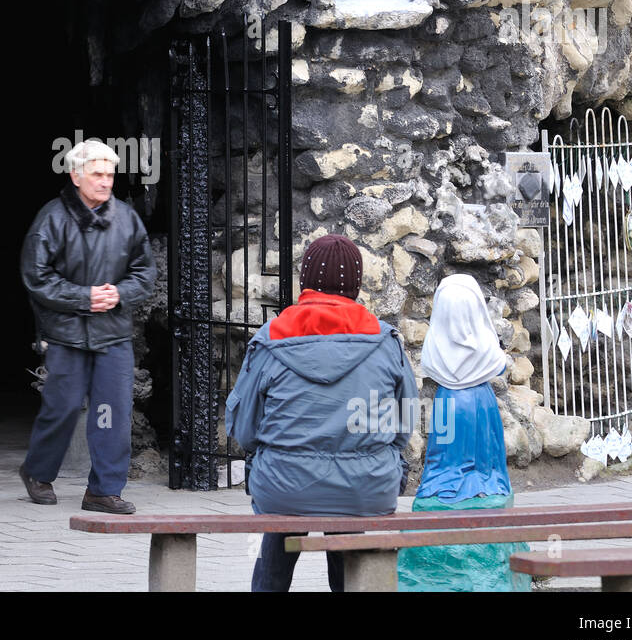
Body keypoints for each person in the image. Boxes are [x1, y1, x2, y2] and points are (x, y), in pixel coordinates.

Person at [226, 234, 417, 591]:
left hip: (284, 488)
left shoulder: (271, 338)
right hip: (365, 487)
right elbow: (405, 424)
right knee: (349, 529)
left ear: (305, 280)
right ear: (356, 284)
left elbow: (244, 426)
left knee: (279, 535)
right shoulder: (385, 340)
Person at [18, 139, 157, 514]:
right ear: (75, 175)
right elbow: (36, 277)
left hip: (113, 333)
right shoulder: (51, 218)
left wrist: (119, 293)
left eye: (110, 174)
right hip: (67, 333)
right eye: (97, 174)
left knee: (112, 411)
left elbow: (146, 273)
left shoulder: (127, 218)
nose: (105, 181)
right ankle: (37, 471)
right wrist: (84, 297)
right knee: (61, 408)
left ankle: (103, 490)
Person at [396, 274, 531, 591]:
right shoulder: (487, 351)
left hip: (448, 403)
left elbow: (428, 366)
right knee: (484, 461)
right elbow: (500, 365)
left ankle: (445, 488)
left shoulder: (435, 351)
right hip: (480, 404)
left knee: (445, 460)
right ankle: (481, 487)